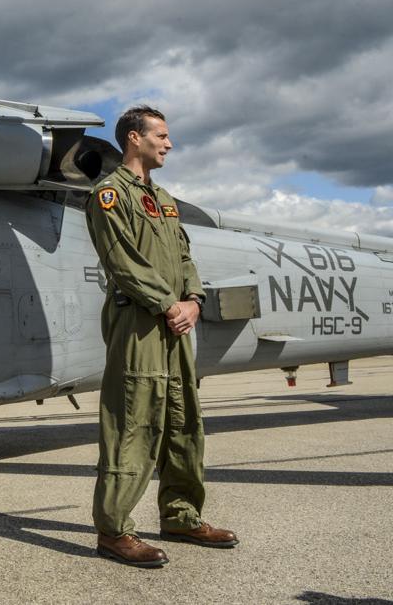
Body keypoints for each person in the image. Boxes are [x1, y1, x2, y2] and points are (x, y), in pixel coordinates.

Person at [85, 105, 238, 568]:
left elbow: (185, 256)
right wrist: (168, 303)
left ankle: (181, 515)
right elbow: (122, 260)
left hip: (175, 323)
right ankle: (114, 531)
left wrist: (193, 300)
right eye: (162, 135)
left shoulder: (165, 199)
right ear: (135, 138)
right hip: (140, 323)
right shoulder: (109, 194)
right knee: (134, 422)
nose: (169, 144)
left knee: (182, 418)